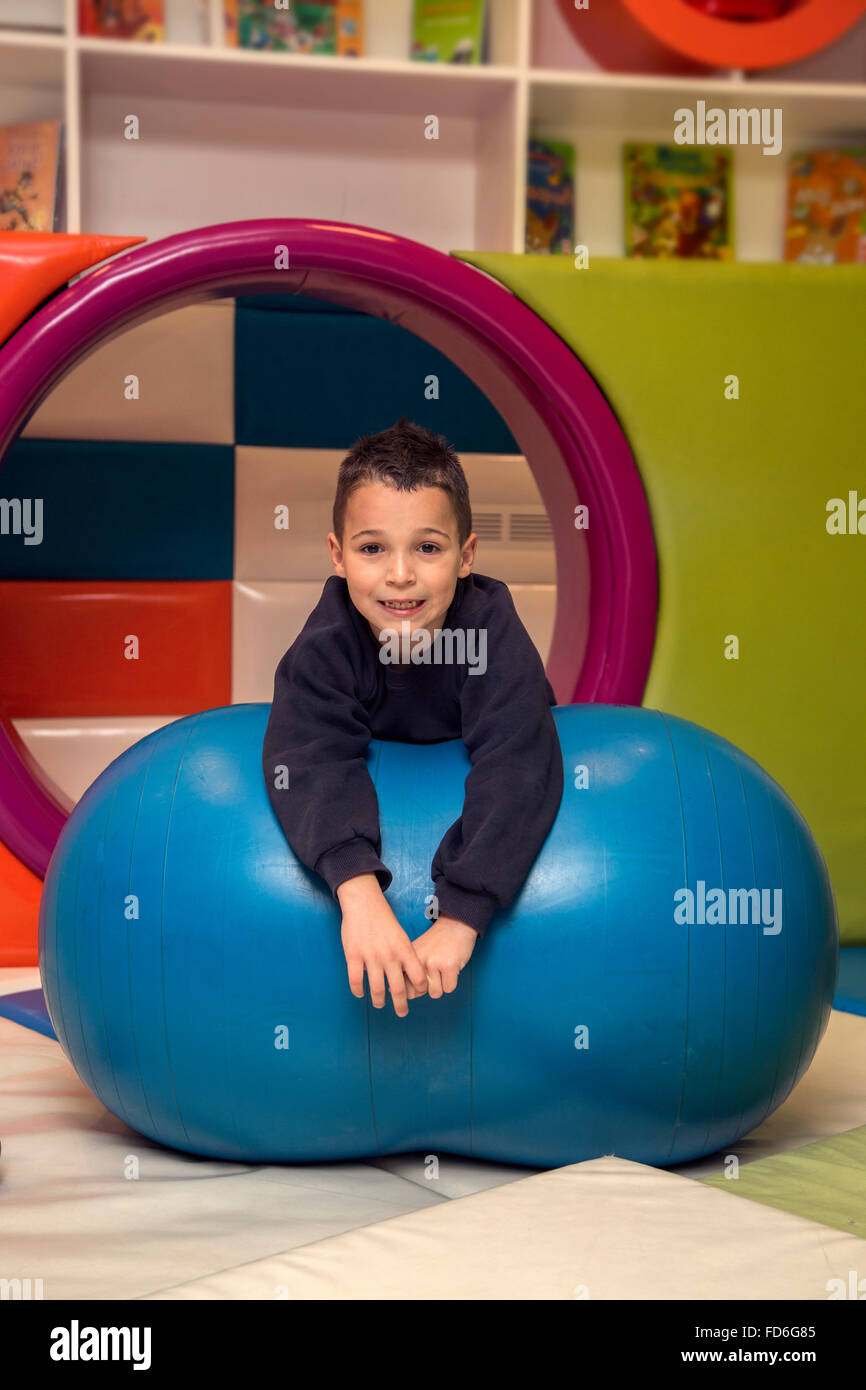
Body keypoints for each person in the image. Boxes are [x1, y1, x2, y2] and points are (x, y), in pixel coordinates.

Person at [262, 416, 564, 1018]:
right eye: (372, 548)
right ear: (338, 555)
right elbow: (308, 754)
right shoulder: (329, 641)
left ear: (465, 556)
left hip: (488, 854)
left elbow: (519, 760)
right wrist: (358, 892)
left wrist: (461, 914)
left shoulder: (486, 627)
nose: (400, 575)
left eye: (428, 548)